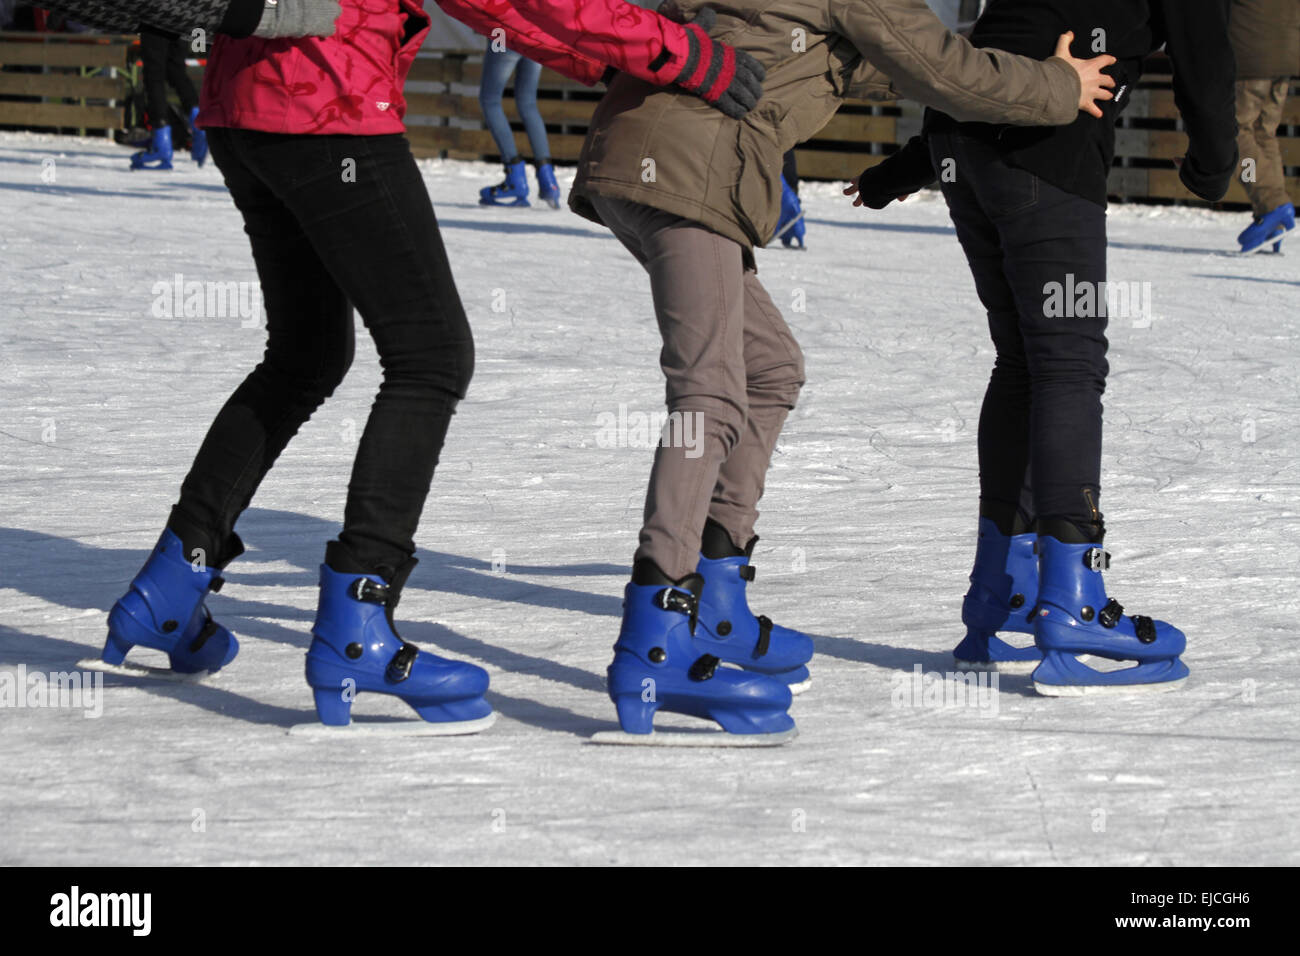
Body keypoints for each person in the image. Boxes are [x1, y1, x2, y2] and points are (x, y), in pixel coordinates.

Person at [88, 1, 769, 734]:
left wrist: (604, 61)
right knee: (430, 357)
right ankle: (358, 627)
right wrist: (681, 53)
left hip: (243, 108)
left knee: (304, 355)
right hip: (329, 106)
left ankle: (169, 584)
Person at [569, 0, 1118, 742]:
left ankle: (720, 592)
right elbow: (945, 70)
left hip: (636, 154)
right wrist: (1056, 84)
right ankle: (655, 634)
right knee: (710, 392)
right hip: (687, 165)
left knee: (770, 368)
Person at [848, 0, 1237, 695]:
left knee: (1023, 361)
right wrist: (1214, 164)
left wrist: (899, 171)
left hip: (960, 154)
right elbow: (1203, 56)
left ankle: (998, 594)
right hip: (1044, 155)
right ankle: (1072, 602)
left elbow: (993, 52)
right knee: (1068, 365)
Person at [1230, 0, 1299, 253]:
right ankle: (1271, 217)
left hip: (1251, 49)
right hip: (1287, 49)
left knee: (1233, 131)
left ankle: (1272, 206)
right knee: (1262, 132)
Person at [477, 40, 558, 208]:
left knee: (490, 100)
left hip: (502, 33)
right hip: (534, 35)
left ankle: (515, 179)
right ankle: (548, 181)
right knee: (527, 102)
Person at [129, 26, 205, 170]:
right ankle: (199, 124)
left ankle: (161, 146)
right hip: (181, 15)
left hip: (156, 16)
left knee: (154, 76)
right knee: (176, 71)